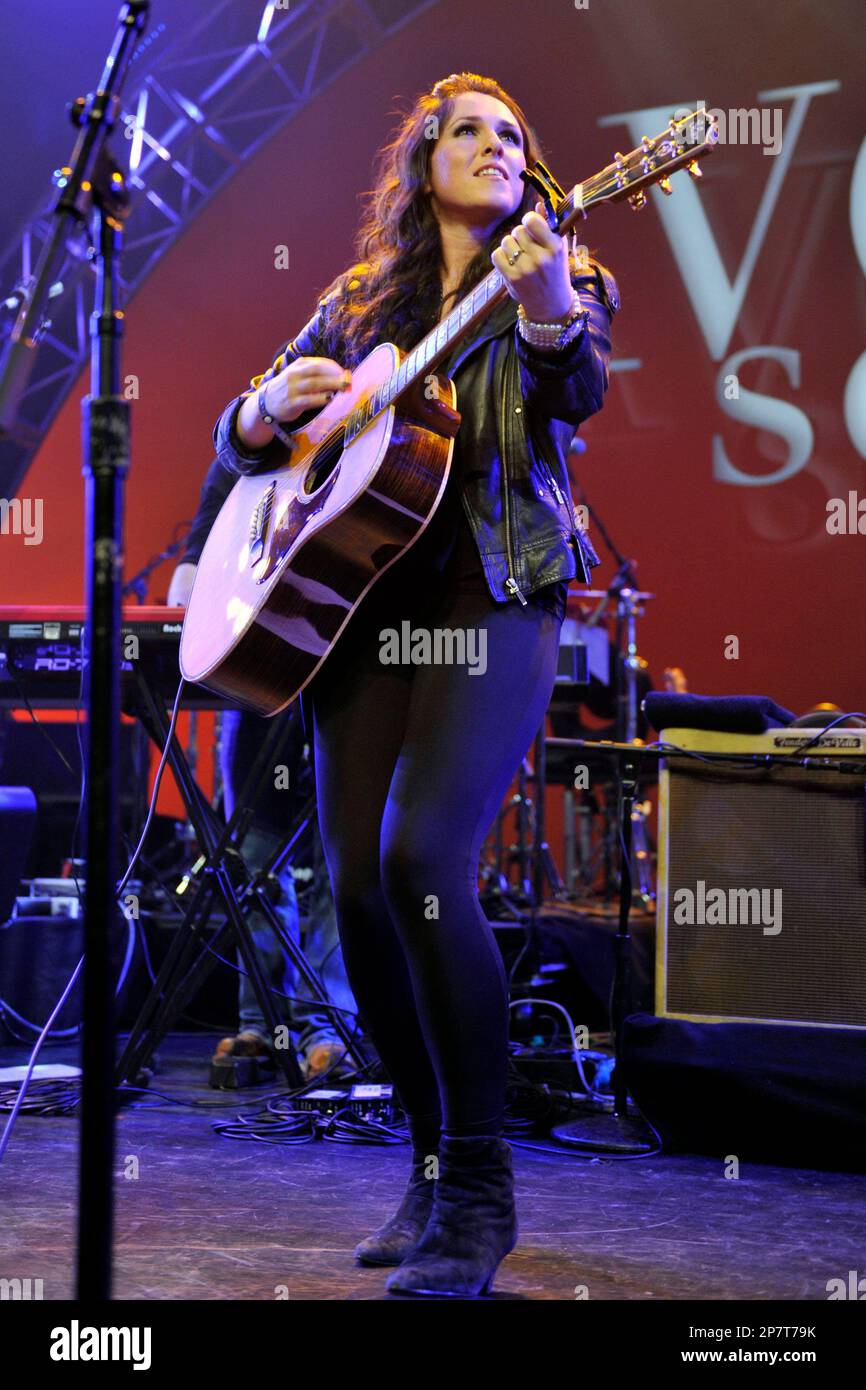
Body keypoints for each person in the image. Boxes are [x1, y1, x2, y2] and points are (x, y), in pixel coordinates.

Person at [212, 72, 619, 1297]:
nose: (495, 147)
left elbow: (576, 384)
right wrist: (261, 411)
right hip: (361, 611)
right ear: (421, 161)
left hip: (492, 593)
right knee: (353, 882)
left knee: (417, 860)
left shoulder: (562, 268)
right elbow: (250, 437)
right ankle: (431, 1166)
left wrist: (547, 308)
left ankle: (482, 1185)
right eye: (469, 131)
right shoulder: (355, 302)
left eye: (513, 134)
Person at [168, 470, 357, 1083]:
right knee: (253, 844)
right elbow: (231, 468)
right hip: (261, 643)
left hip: (345, 641)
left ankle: (328, 1023)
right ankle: (259, 1020)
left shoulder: (370, 390)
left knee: (334, 846)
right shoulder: (274, 396)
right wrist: (196, 557)